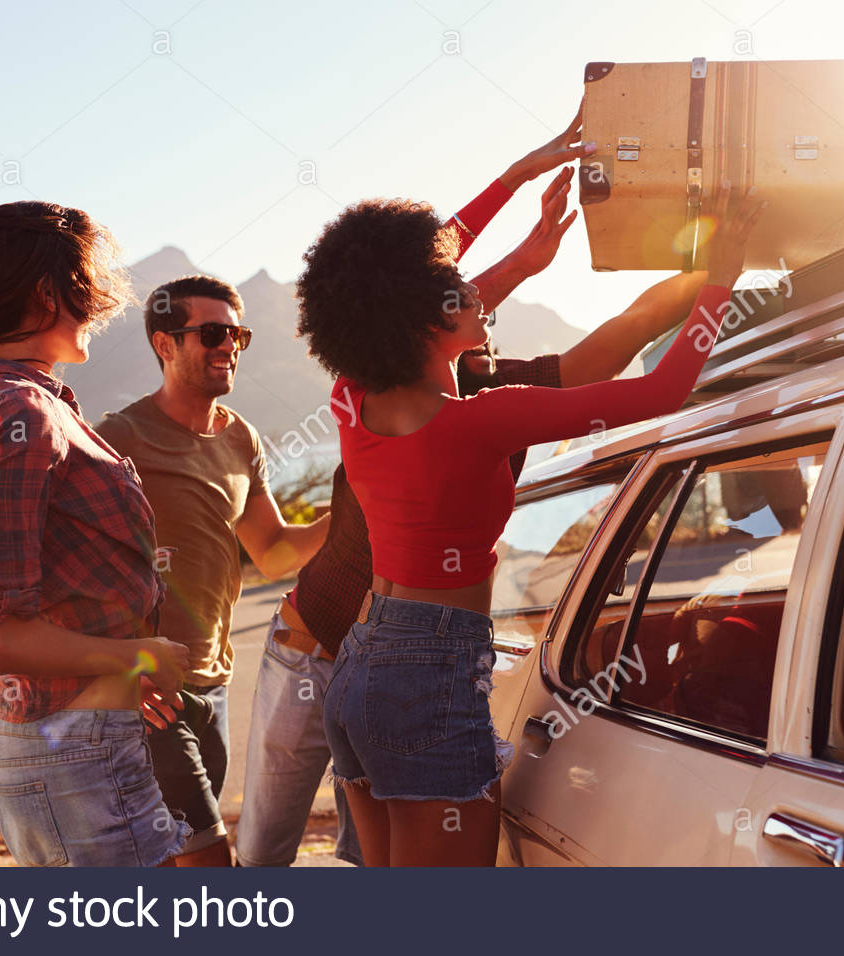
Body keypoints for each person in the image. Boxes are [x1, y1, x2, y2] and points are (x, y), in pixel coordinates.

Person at [236, 160, 710, 869]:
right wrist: (726, 271)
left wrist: (520, 186)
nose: (481, 291)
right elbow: (665, 391)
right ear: (431, 315)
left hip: (360, 668)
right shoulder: (484, 419)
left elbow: (404, 276)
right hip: (428, 675)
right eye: (461, 289)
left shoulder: (351, 401)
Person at [0, 200, 191, 867]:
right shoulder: (21, 411)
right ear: (48, 294)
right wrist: (143, 655)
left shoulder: (12, 399)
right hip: (76, 755)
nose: (98, 309)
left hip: (74, 747)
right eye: (84, 288)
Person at [94, 274, 330, 866]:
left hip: (213, 685)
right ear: (164, 344)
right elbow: (77, 563)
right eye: (214, 333)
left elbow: (274, 550)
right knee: (208, 862)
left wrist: (354, 509)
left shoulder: (240, 436)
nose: (230, 347)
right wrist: (119, 667)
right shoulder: (121, 436)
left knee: (177, 859)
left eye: (238, 335)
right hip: (151, 692)